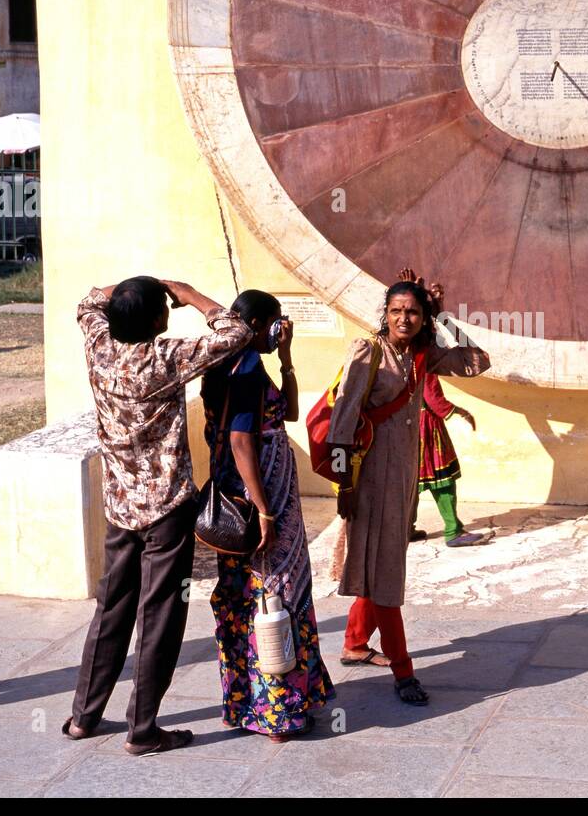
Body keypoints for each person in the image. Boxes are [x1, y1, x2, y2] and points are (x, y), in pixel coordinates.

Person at [63, 277, 252, 755]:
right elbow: (236, 332)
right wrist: (187, 293)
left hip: (120, 503)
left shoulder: (98, 346)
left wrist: (132, 289)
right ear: (154, 321)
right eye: (163, 309)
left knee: (112, 607)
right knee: (159, 615)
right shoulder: (164, 357)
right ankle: (142, 728)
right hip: (165, 508)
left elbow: (89, 301)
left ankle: (84, 716)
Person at [328, 268, 490, 705]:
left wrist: (443, 318)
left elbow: (478, 360)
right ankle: (403, 673)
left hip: (402, 480)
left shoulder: (424, 356)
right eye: (397, 311)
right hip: (369, 480)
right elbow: (342, 422)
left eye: (414, 312)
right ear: (385, 313)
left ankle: (355, 643)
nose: (405, 318)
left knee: (380, 563)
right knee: (386, 575)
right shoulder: (368, 352)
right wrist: (344, 483)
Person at [199, 291, 334, 742]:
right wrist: (264, 511)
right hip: (261, 495)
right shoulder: (248, 368)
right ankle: (277, 713)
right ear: (257, 324)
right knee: (278, 595)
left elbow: (289, 413)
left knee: (243, 598)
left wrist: (288, 357)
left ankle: (242, 702)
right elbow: (242, 443)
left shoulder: (226, 362)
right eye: (276, 324)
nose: (280, 330)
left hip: (235, 496)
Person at [413, 373, 489, 547]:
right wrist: (462, 412)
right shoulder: (424, 365)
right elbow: (434, 400)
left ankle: (404, 529)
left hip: (406, 428)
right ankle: (453, 531)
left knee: (411, 484)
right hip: (427, 429)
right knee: (443, 480)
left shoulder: (399, 359)